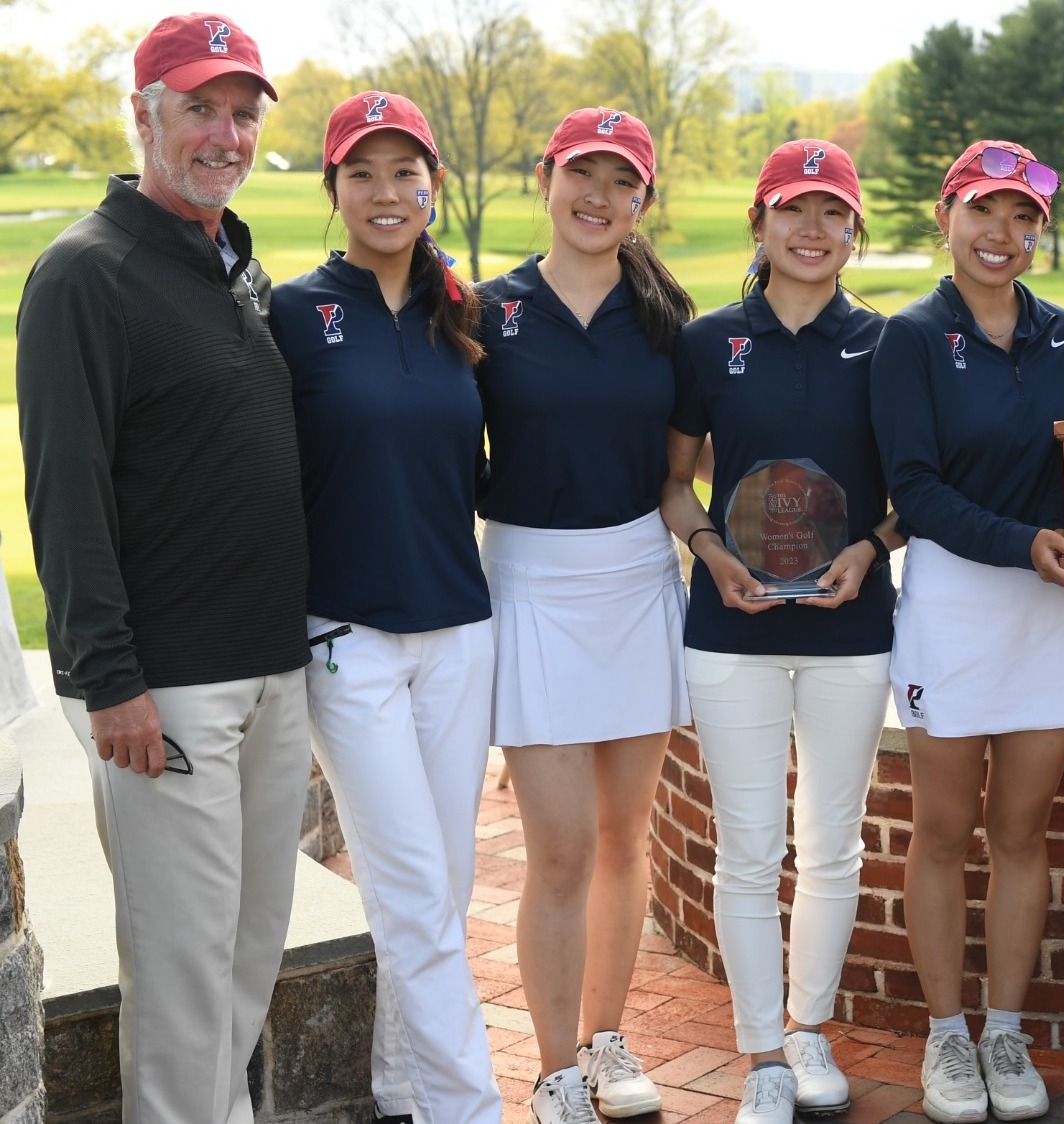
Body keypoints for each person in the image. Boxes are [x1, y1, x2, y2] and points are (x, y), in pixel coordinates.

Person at [17, 13, 310, 1123]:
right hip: (169, 686)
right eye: (198, 108)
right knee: (183, 970)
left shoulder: (235, 265)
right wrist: (110, 678)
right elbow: (66, 492)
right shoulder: (86, 275)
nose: (224, 134)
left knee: (245, 953)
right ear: (143, 115)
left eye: (241, 114)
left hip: (273, 670)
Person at [267, 90, 500, 1124]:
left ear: (433, 187)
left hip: (456, 626)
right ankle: (469, 1106)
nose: (386, 191)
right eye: (362, 172)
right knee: (412, 885)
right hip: (345, 638)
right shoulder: (290, 313)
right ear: (333, 189)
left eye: (406, 172)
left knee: (441, 884)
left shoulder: (465, 315)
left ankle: (399, 1085)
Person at [660, 139, 899, 1124]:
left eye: (832, 211)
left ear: (854, 230)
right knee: (751, 848)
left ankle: (808, 1030)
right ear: (757, 223)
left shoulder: (891, 341)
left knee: (832, 845)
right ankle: (759, 1051)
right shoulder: (708, 341)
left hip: (852, 623)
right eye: (793, 209)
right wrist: (713, 550)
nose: (812, 229)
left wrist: (873, 546)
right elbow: (674, 483)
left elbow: (913, 487)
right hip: (732, 624)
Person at [475, 106, 698, 1124]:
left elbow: (685, 470)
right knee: (557, 847)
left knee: (622, 837)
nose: (598, 198)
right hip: (530, 580)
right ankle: (554, 1063)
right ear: (545, 175)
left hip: (634, 577)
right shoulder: (483, 310)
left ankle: (608, 1041)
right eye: (582, 175)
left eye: (622, 183)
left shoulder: (666, 316)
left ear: (641, 200)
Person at [871, 138, 1064, 1124]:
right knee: (942, 828)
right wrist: (1026, 540)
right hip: (958, 600)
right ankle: (948, 1035)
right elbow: (913, 487)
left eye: (1021, 217)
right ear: (946, 214)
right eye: (981, 211)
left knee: (1020, 830)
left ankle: (1004, 1029)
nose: (1000, 234)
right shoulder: (911, 337)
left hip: (1048, 605)